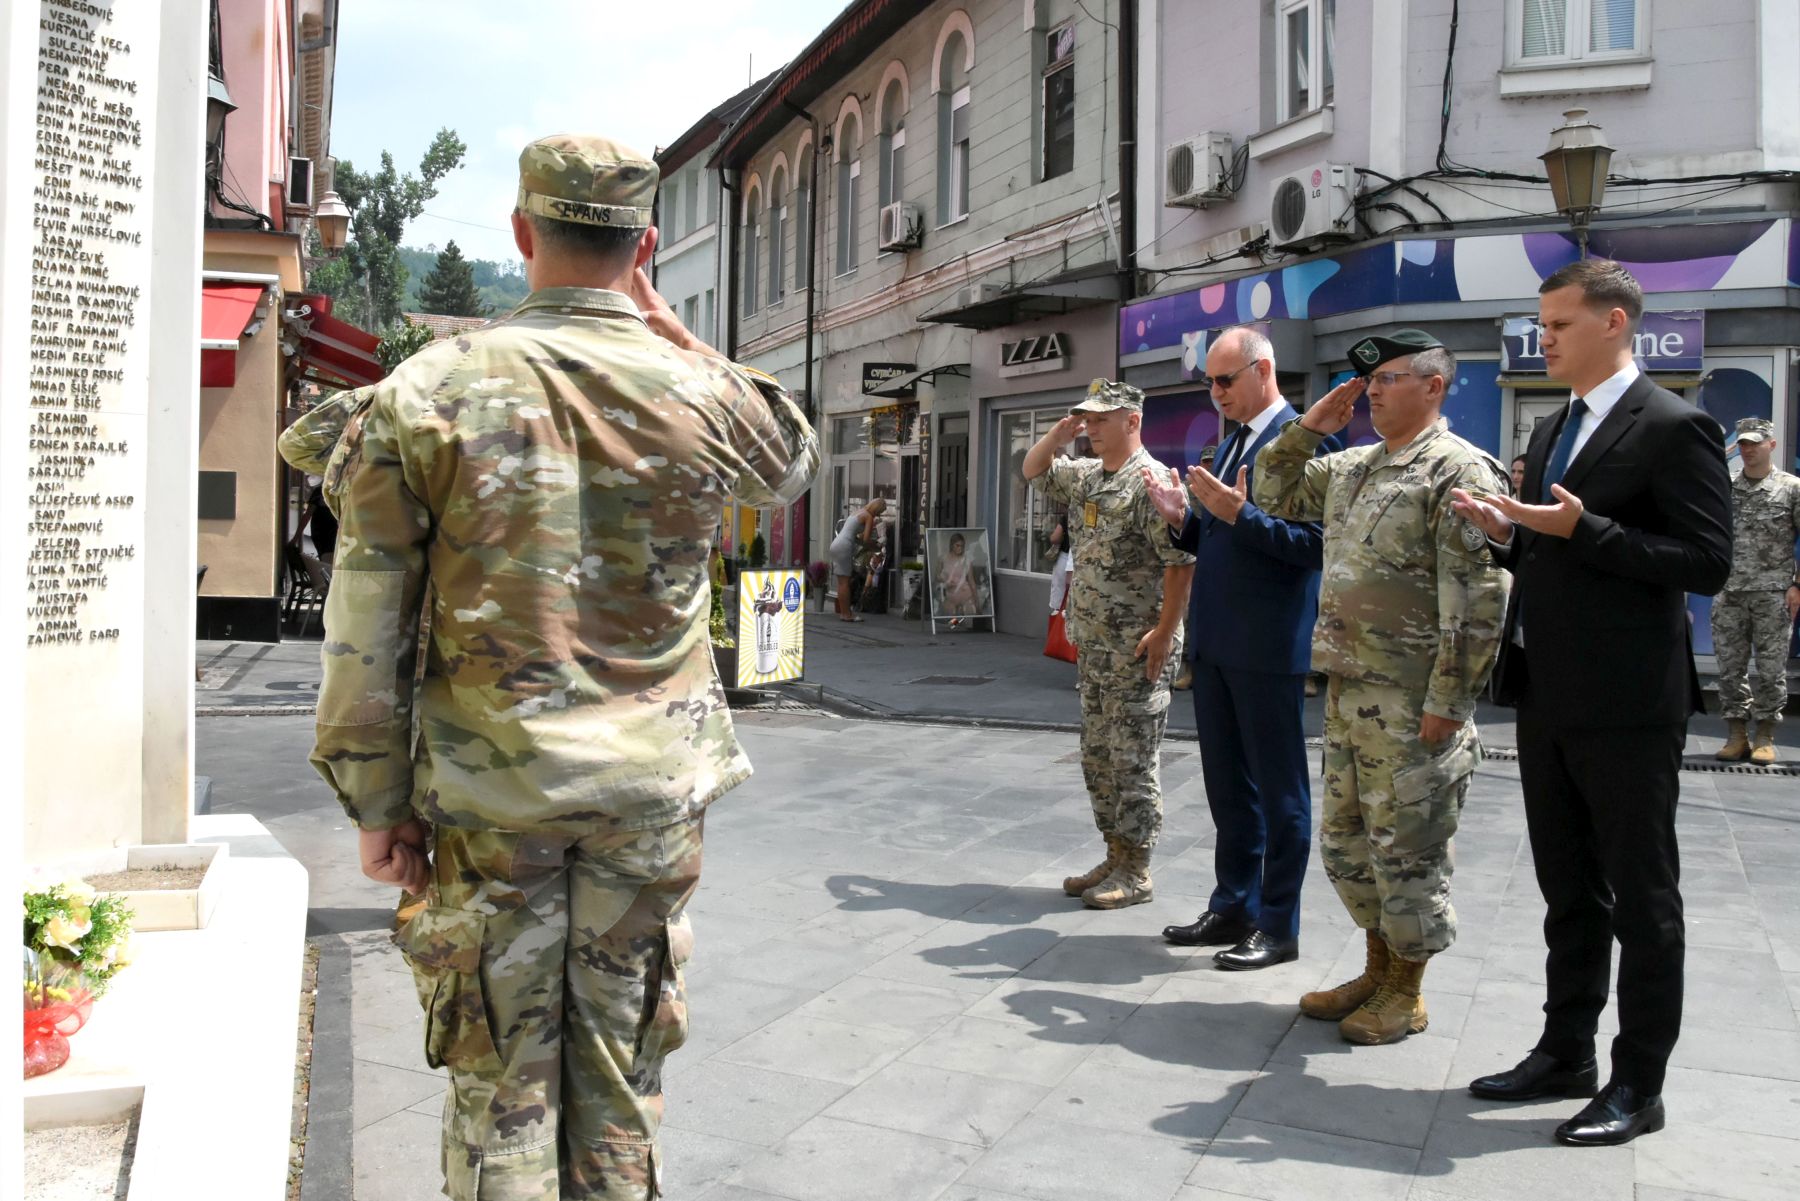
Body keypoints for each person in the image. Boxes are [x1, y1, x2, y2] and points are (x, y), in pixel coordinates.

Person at [310, 134, 818, 1199]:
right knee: (622, 1074)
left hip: (497, 795)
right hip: (649, 795)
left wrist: (375, 799)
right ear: (648, 245)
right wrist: (680, 338)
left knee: (502, 1085)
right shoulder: (704, 393)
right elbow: (792, 458)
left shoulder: (429, 388)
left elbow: (369, 620)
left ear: (519, 233)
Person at [1453, 259, 1731, 1147]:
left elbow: (1705, 563)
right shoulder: (1554, 423)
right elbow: (1552, 556)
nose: (1545, 338)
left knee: (1643, 897)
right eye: (1541, 323)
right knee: (1567, 888)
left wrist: (1587, 530)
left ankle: (1637, 1083)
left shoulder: (1675, 426)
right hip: (1547, 691)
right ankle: (1565, 1048)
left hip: (1628, 704)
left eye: (1559, 323)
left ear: (1614, 323)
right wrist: (1509, 537)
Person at [1255, 329, 1510, 1044]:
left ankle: (1407, 990)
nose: (1372, 390)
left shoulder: (1458, 471)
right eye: (1369, 381)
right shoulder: (1357, 465)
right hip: (1349, 692)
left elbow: (1477, 598)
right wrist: (1308, 427)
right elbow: (1272, 491)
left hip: (1412, 702)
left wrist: (1448, 702)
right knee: (1347, 845)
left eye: (1389, 378)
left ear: (1434, 385)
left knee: (1409, 848)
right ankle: (1376, 967)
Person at [1145, 326, 1337, 971]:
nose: (1216, 391)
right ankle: (1234, 903)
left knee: (1280, 793)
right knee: (1229, 787)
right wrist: (1183, 519)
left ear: (1263, 370)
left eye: (1226, 379)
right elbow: (1218, 536)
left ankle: (1279, 925)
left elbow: (1315, 545)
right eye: (1210, 381)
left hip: (1268, 643)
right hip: (1220, 640)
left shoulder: (1307, 442)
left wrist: (1237, 516)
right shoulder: (1228, 445)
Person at [1022, 379, 1195, 909]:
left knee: (1133, 761)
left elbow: (1181, 562)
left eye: (1101, 420)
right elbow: (1033, 470)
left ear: (1133, 421)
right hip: (1095, 648)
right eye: (1087, 420)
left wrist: (1165, 632)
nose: (1092, 429)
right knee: (1097, 759)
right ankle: (1114, 852)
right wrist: (1059, 431)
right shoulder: (1088, 477)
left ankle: (1137, 869)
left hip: (1137, 651)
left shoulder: (1152, 483)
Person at [1712, 417, 1800, 764]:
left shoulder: (1791, 488)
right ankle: (1736, 734)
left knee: (1770, 669)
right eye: (1743, 444)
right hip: (1730, 590)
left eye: (1755, 443)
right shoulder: (1726, 485)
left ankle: (1764, 734)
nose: (1748, 450)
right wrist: (1724, 453)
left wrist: (1797, 585)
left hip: (1773, 592)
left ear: (1771, 445)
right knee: (1729, 668)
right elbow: (1698, 475)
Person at [829, 499, 885, 622]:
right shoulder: (868, 517)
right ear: (876, 510)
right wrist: (877, 546)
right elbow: (865, 540)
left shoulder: (858, 512)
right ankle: (847, 614)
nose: (878, 516)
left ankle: (844, 612)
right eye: (879, 512)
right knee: (845, 582)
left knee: (841, 582)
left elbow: (856, 537)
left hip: (836, 544)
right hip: (844, 547)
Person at [939, 531, 982, 622]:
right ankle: (956, 626)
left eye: (962, 546)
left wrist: (977, 602)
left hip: (965, 595)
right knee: (952, 623)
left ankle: (961, 623)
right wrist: (945, 581)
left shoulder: (967, 560)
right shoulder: (943, 558)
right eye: (957, 545)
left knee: (965, 621)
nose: (960, 548)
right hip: (950, 596)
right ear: (952, 545)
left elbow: (971, 581)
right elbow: (937, 577)